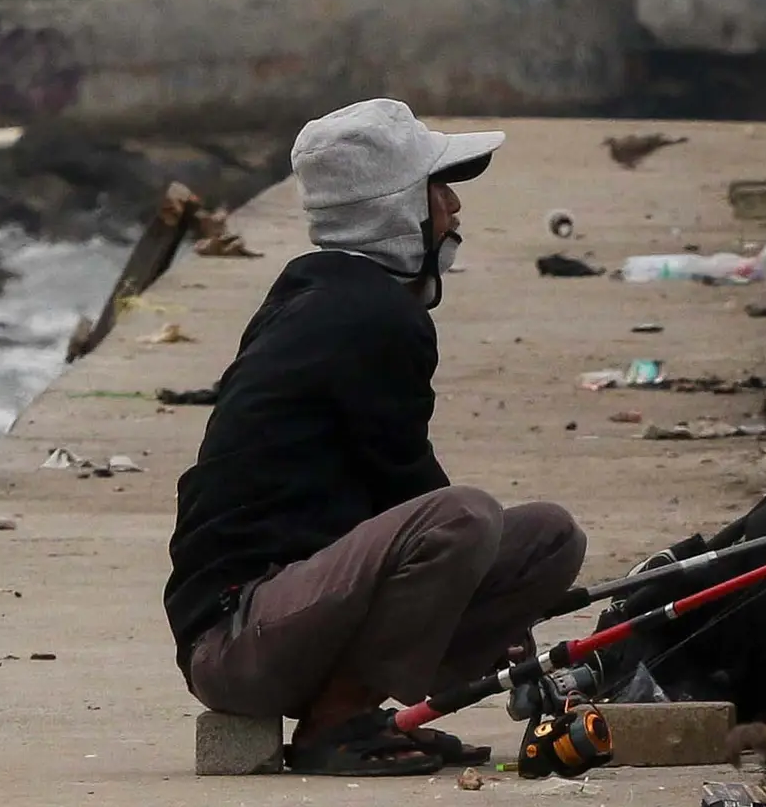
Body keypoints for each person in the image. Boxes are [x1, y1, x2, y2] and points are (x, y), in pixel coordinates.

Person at [164, 99, 586, 777]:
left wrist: (510, 604)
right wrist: (504, 615)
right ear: (397, 211)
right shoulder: (372, 317)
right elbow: (415, 489)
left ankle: (354, 703)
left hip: (289, 618)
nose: (453, 207)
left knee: (547, 540)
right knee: (465, 517)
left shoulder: (322, 291)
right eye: (437, 190)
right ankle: (338, 723)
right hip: (239, 637)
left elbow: (389, 496)